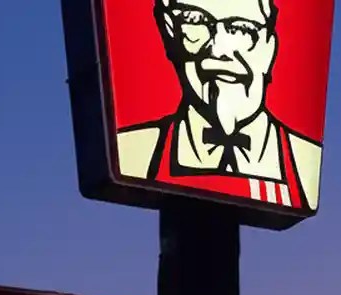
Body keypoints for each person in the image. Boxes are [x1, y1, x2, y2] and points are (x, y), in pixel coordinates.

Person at [117, 0, 323, 210]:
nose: (218, 50)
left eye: (242, 29)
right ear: (170, 33)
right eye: (195, 20)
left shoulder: (303, 160)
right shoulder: (132, 153)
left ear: (269, 47)